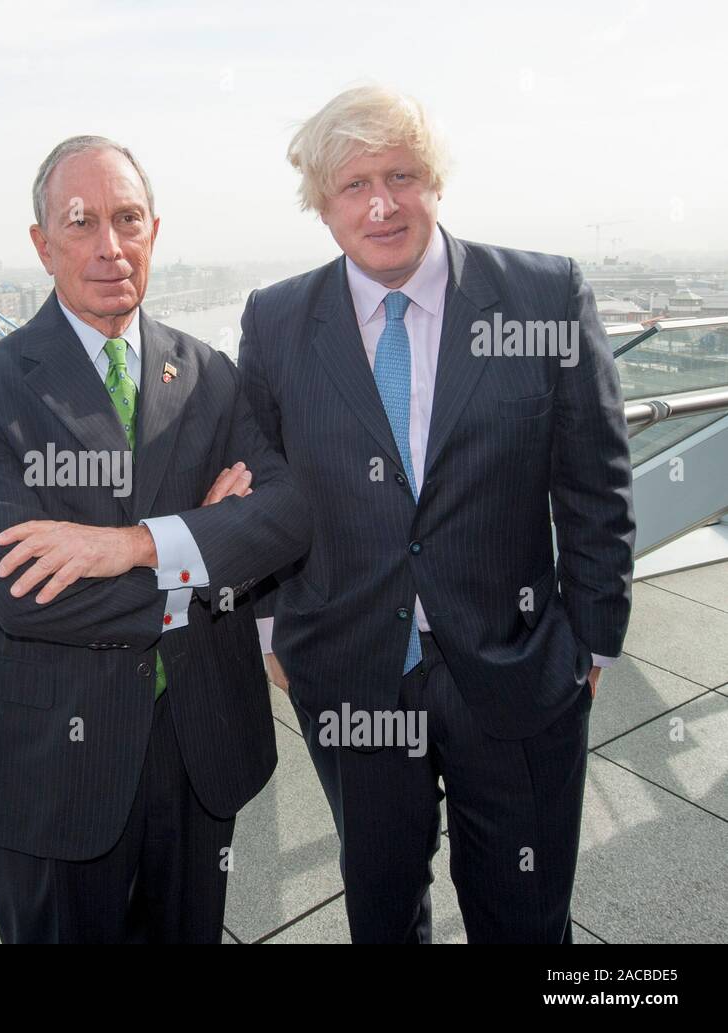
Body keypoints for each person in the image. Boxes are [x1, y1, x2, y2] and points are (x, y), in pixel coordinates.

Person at [244, 85, 635, 943]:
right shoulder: (275, 321)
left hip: (519, 669)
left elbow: (595, 482)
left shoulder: (543, 295)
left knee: (526, 915)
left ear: (436, 182)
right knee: (381, 904)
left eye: (401, 176)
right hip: (351, 672)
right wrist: (272, 629)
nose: (381, 205)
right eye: (354, 185)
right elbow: (265, 488)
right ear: (322, 203)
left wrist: (593, 641)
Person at [0, 135, 311, 943]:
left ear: (154, 232)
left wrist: (134, 545)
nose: (110, 246)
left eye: (129, 218)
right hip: (56, 766)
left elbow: (286, 515)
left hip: (198, 744)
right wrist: (206, 543)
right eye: (81, 223)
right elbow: (24, 594)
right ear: (42, 245)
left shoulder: (210, 373)